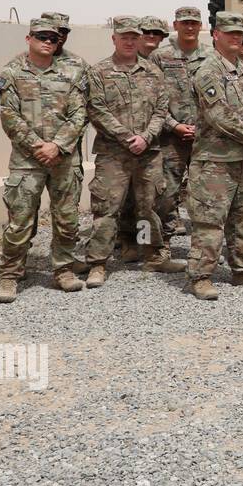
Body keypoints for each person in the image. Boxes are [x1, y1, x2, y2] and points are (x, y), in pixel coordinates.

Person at [0, 18, 88, 302]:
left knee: (67, 219)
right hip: (27, 160)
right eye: (41, 36)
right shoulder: (12, 73)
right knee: (19, 221)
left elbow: (79, 114)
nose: (48, 41)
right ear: (29, 38)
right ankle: (10, 275)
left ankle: (63, 270)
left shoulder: (70, 73)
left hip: (64, 160)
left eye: (53, 38)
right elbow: (10, 117)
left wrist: (57, 146)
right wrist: (38, 145)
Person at [185, 11, 243, 299]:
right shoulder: (208, 70)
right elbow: (218, 115)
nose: (237, 38)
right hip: (215, 161)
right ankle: (201, 276)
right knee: (210, 220)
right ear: (216, 35)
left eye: (240, 34)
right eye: (230, 33)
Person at [83, 17, 176, 287]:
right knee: (106, 209)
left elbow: (161, 110)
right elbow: (97, 110)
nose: (129, 41)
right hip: (114, 154)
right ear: (114, 39)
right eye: (124, 37)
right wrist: (128, 138)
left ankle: (150, 254)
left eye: (134, 37)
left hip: (148, 153)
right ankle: (98, 263)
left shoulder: (153, 72)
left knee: (148, 207)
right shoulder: (99, 72)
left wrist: (146, 138)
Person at [151, 6, 211, 249]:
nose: (189, 27)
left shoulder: (212, 57)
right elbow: (152, 99)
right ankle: (161, 247)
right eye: (184, 22)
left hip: (204, 138)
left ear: (200, 26)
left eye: (193, 23)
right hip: (171, 139)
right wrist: (174, 125)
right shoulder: (160, 56)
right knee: (165, 195)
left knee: (205, 197)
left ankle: (204, 249)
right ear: (175, 25)